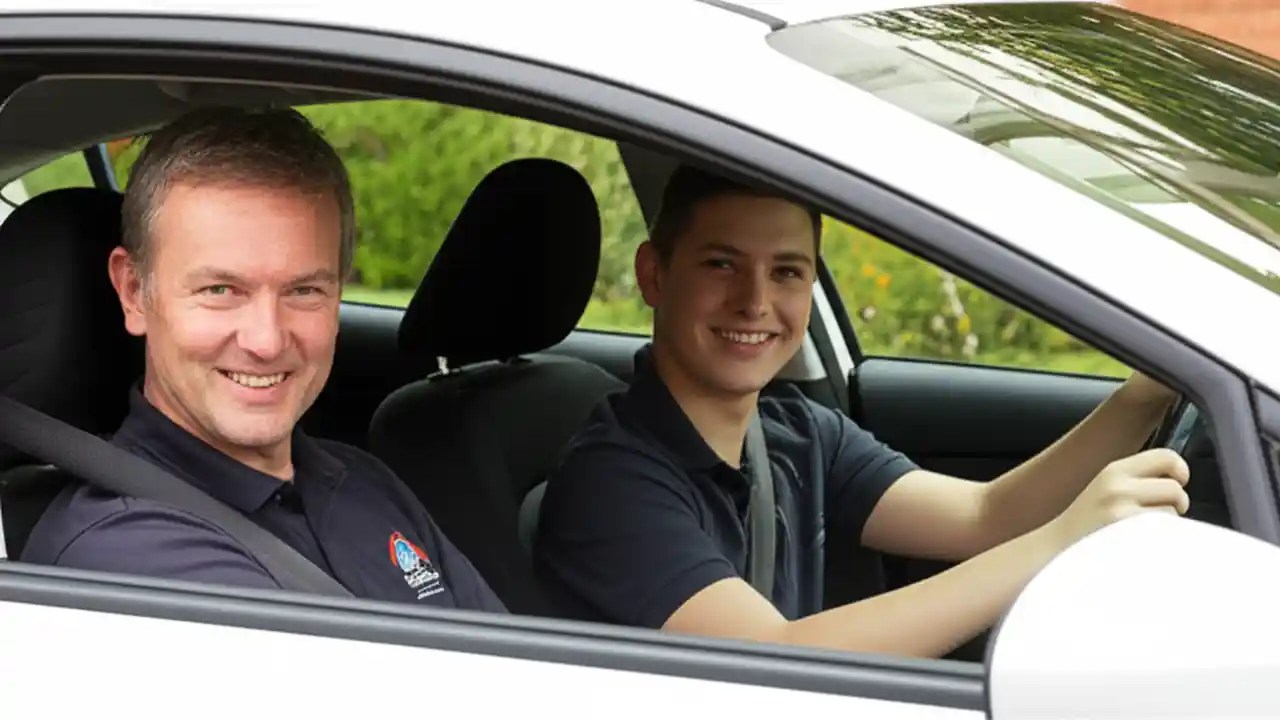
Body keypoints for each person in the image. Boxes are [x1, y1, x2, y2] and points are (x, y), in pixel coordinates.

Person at [533, 165, 1189, 658]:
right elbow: (774, 661)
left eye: (787, 272)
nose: (755, 301)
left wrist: (1142, 396)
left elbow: (983, 517)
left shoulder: (795, 431)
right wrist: (1058, 543)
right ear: (654, 275)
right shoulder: (612, 480)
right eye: (721, 264)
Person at [23, 107, 505, 612]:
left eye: (304, 290)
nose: (267, 341)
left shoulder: (362, 479)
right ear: (133, 293)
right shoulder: (125, 555)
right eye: (220, 289)